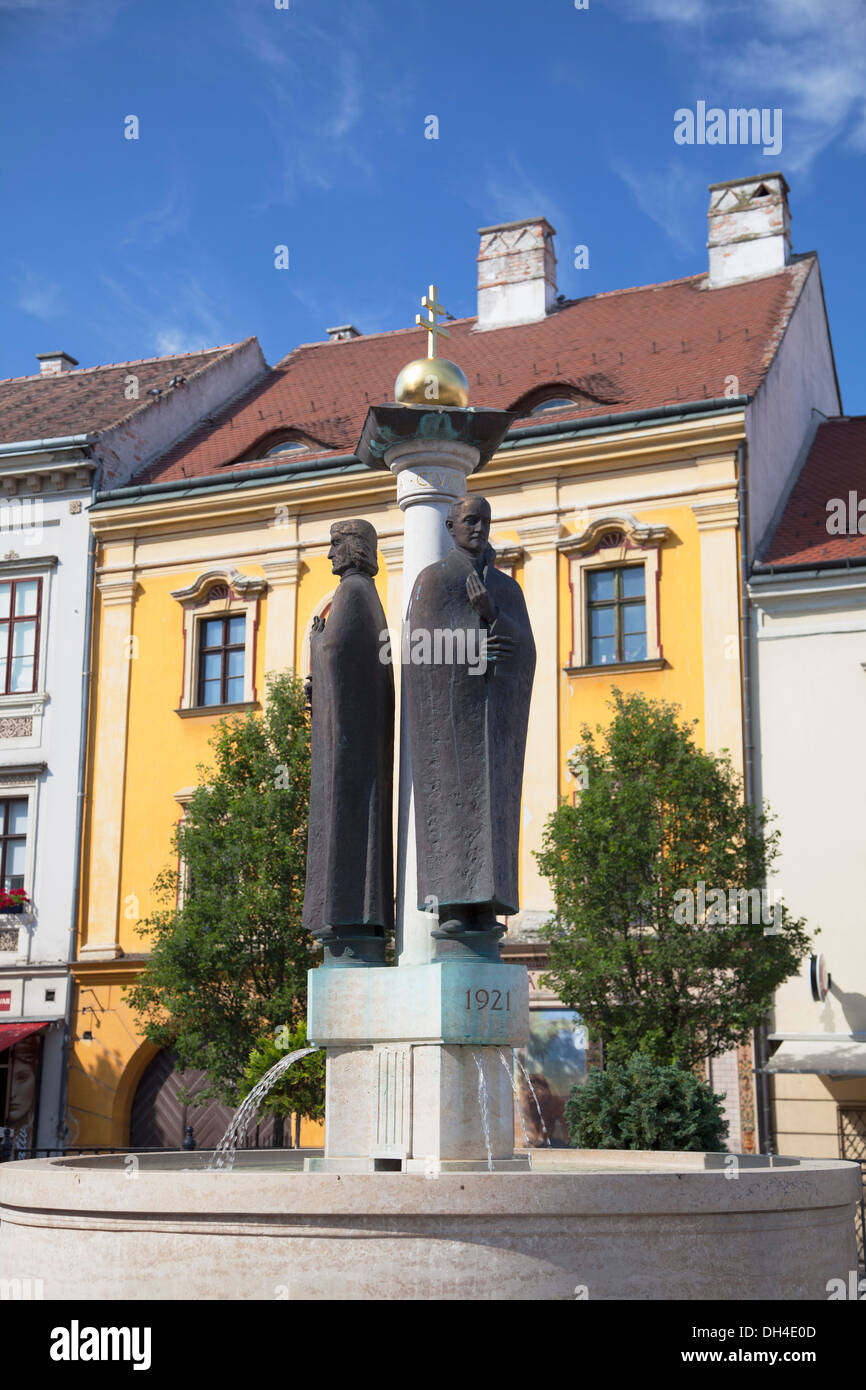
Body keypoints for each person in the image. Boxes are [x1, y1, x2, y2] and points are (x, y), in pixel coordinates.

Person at [404, 495, 535, 956]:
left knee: (494, 818)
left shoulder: (506, 589)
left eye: (485, 521)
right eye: (469, 521)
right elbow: (418, 654)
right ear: (451, 525)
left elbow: (526, 655)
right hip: (451, 732)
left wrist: (491, 616)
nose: (478, 529)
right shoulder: (434, 581)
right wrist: (472, 649)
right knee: (456, 818)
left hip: (495, 729)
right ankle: (456, 908)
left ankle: (486, 909)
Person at [302, 519, 394, 966]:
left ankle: (345, 916)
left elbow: (337, 652)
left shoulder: (353, 594)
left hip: (347, 750)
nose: (330, 554)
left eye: (336, 544)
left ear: (355, 547)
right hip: (350, 741)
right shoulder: (364, 597)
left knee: (343, 830)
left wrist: (317, 646)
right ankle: (346, 916)